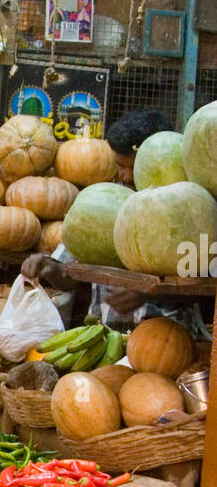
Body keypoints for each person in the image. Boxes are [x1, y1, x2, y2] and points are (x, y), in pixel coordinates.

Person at [21, 108, 207, 332]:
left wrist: (149, 290)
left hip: (171, 336)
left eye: (134, 167)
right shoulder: (102, 201)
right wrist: (48, 266)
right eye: (120, 166)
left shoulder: (189, 206)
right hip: (103, 336)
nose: (126, 176)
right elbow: (69, 276)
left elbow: (204, 279)